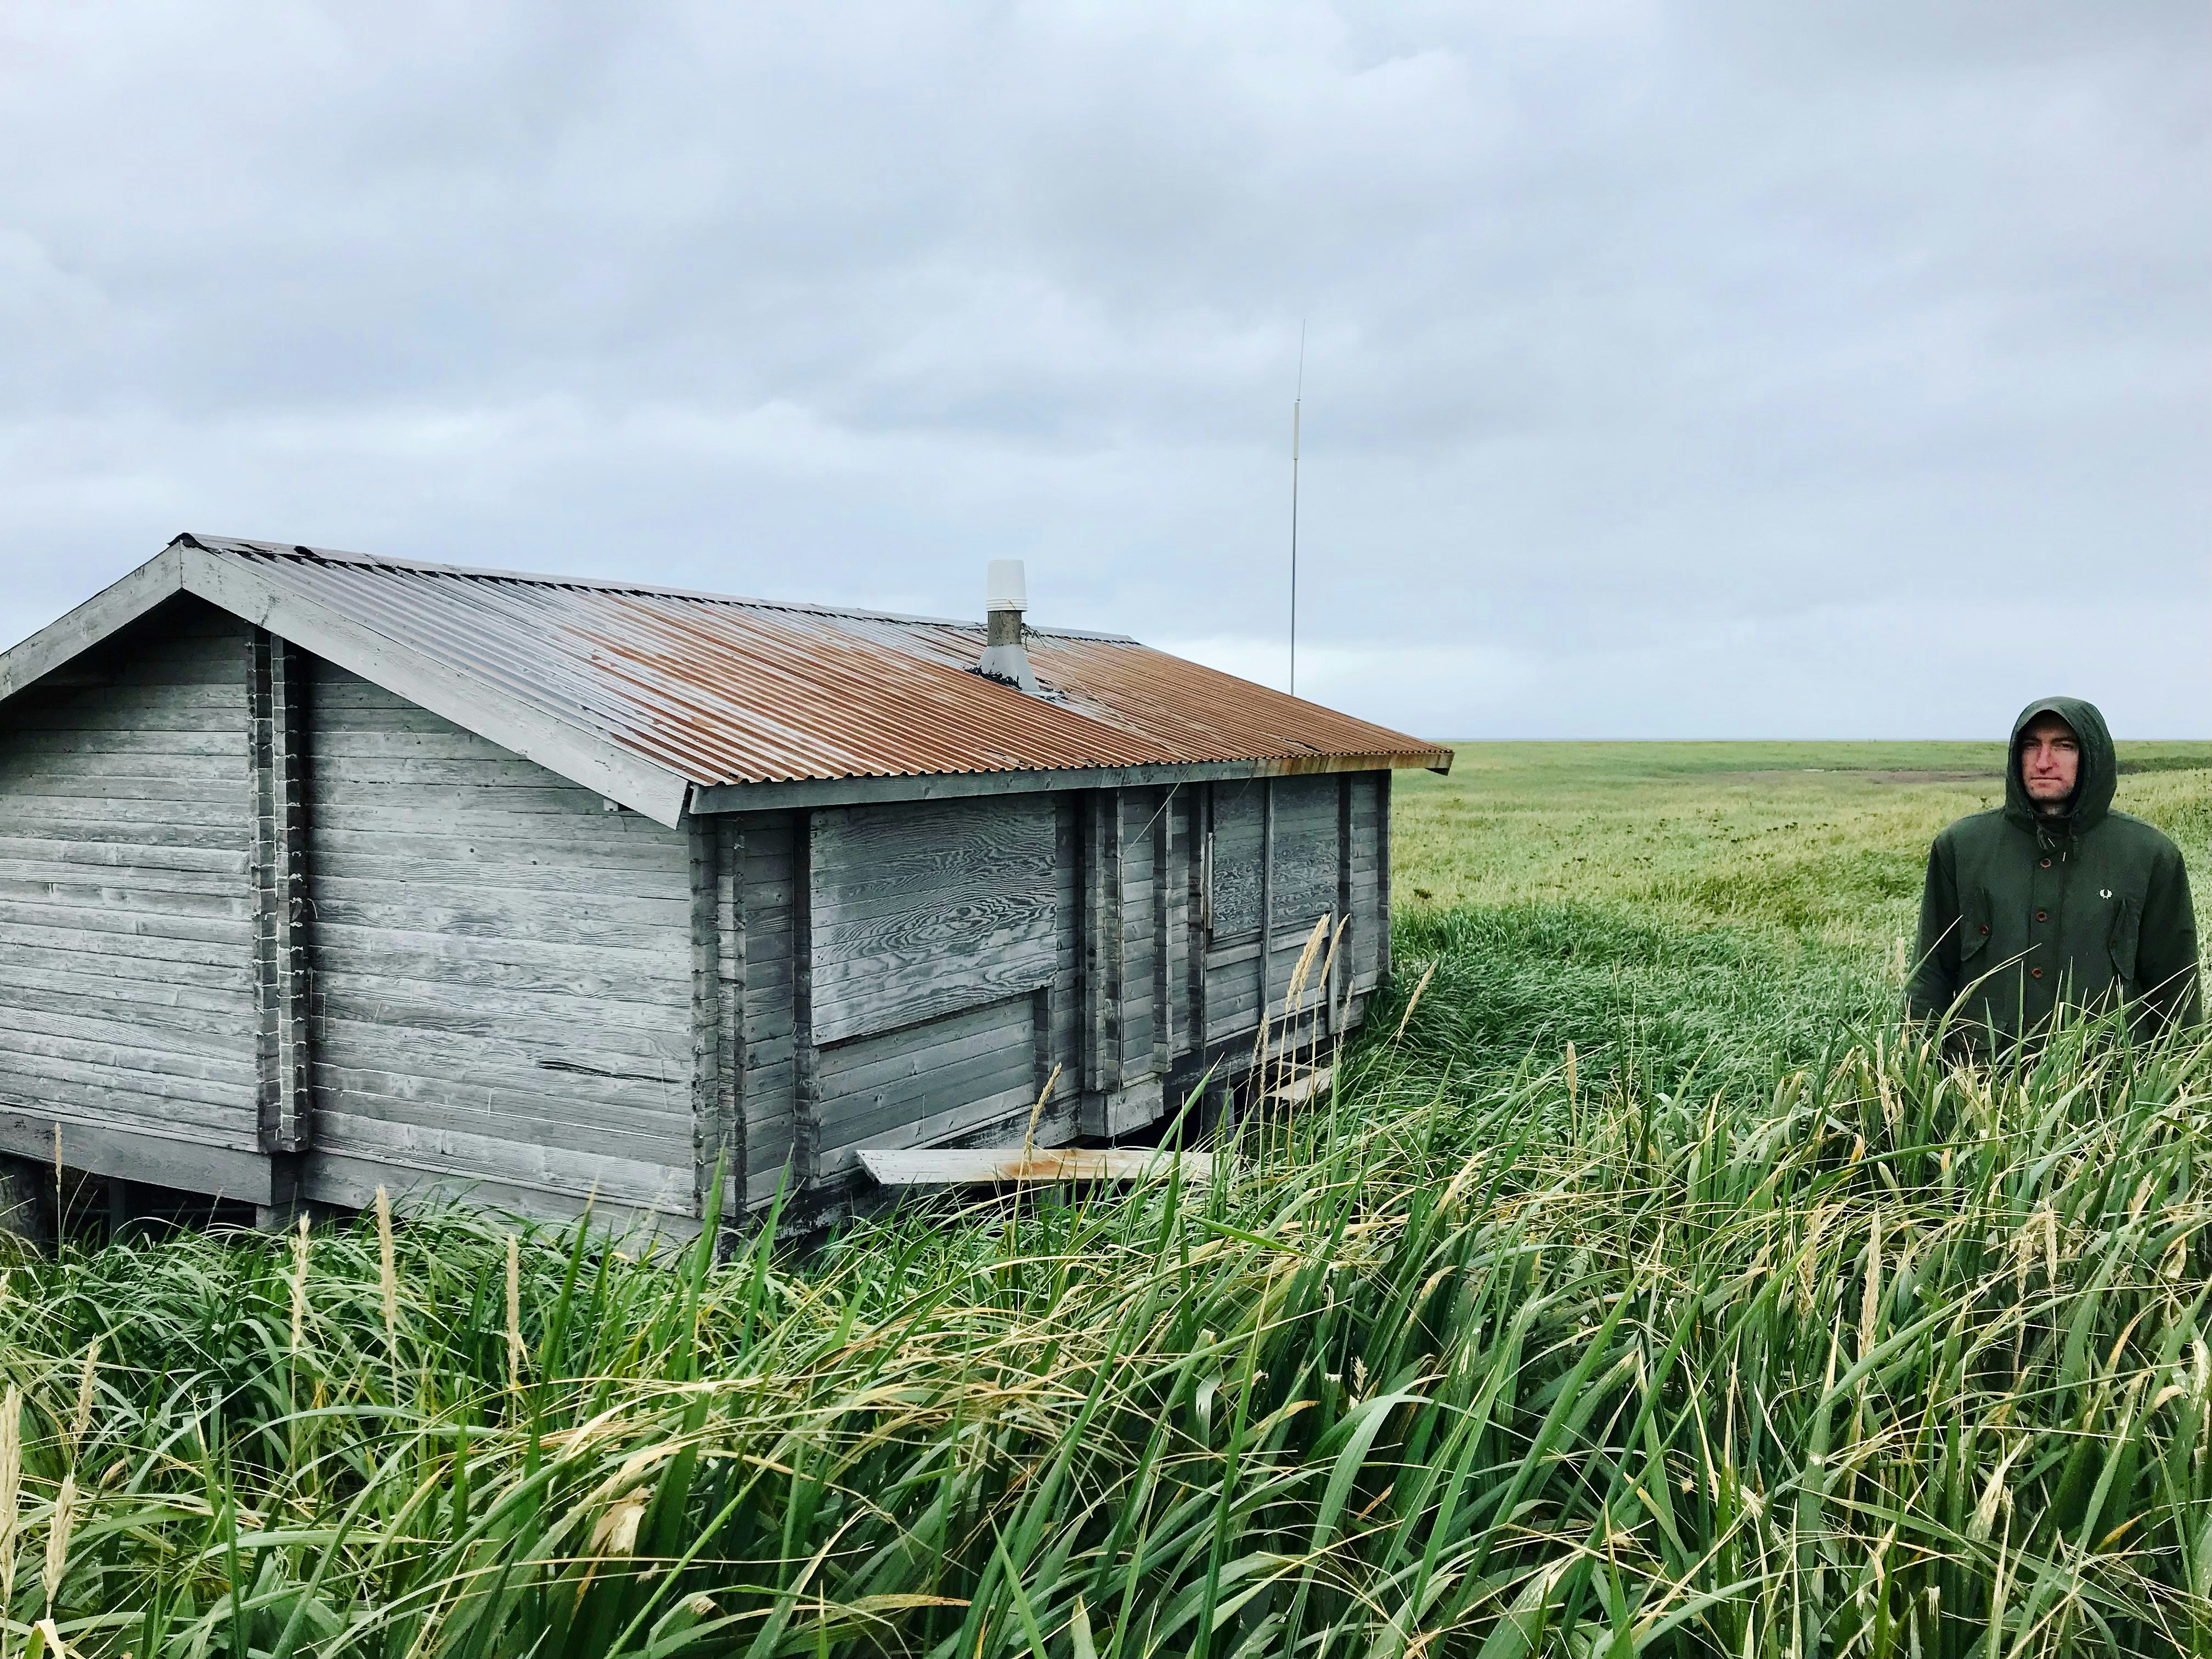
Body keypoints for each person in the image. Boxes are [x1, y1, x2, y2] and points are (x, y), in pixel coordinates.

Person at [1905, 696, 2199, 1042]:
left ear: (2092, 756)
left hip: (2104, 1082)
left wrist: (2175, 1082)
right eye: (2031, 746)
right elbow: (1929, 977)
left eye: (2064, 746)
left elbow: (2176, 988)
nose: (2044, 762)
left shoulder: (2149, 855)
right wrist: (1917, 1075)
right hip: (1982, 1080)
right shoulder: (1962, 846)